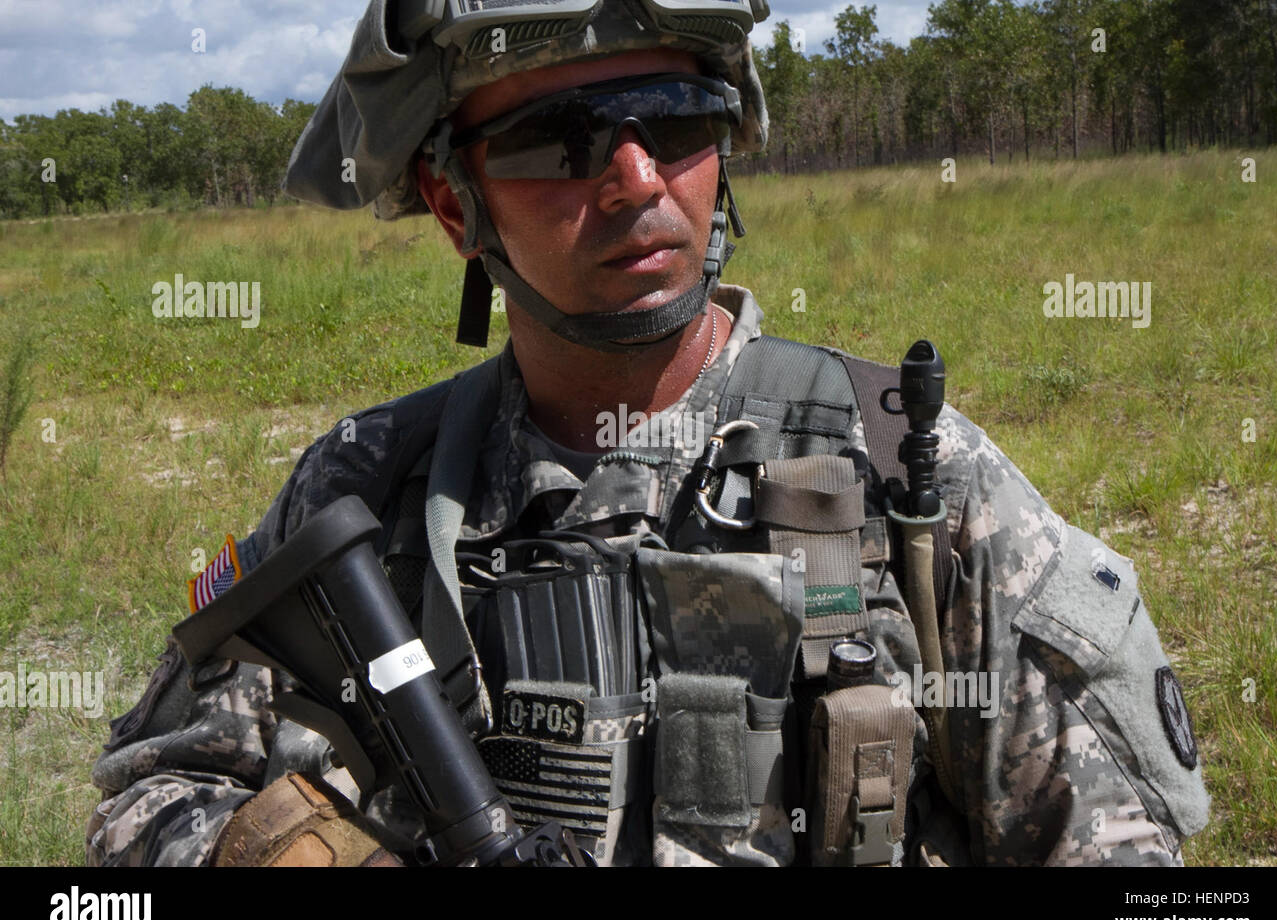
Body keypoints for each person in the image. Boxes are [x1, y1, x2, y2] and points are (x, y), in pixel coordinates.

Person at [86, 0, 1210, 867]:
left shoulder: (906, 473)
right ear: (450, 203)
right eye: (553, 140)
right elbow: (149, 797)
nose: (633, 179)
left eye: (674, 120)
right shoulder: (371, 491)